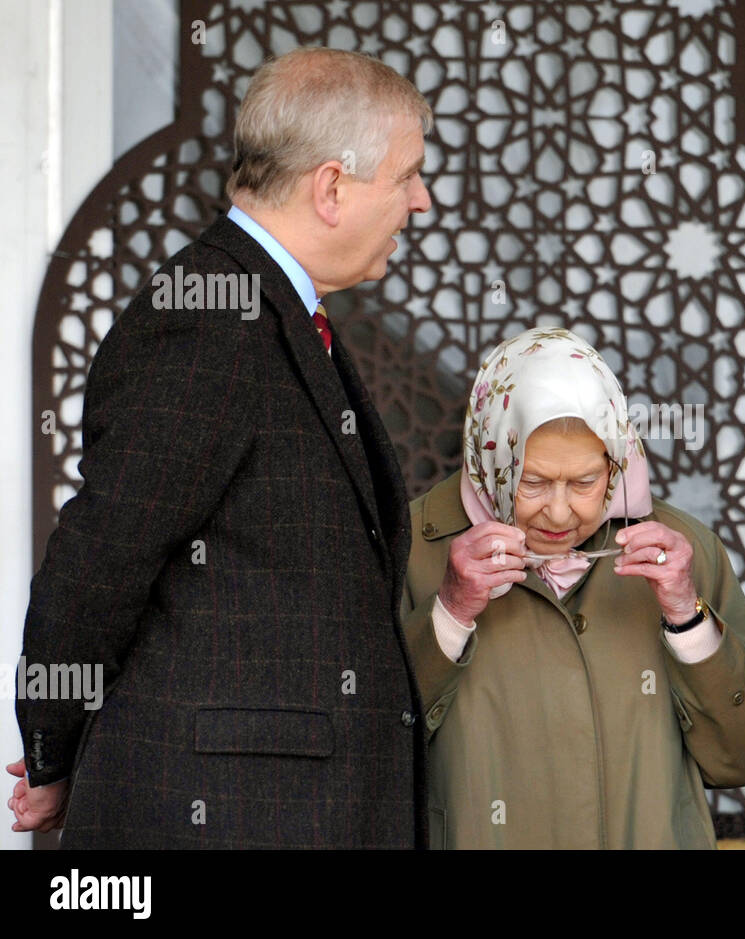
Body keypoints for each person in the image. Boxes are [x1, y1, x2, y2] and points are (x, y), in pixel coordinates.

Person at [8, 47, 434, 847]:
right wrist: (56, 751)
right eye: (408, 174)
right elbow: (99, 560)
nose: (423, 200)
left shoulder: (272, 310)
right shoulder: (208, 319)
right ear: (332, 187)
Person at [401, 327, 745, 848]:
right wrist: (451, 611)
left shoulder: (678, 551)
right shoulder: (410, 548)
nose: (561, 510)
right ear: (492, 458)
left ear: (617, 462)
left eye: (586, 482)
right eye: (533, 481)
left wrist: (687, 617)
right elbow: (364, 747)